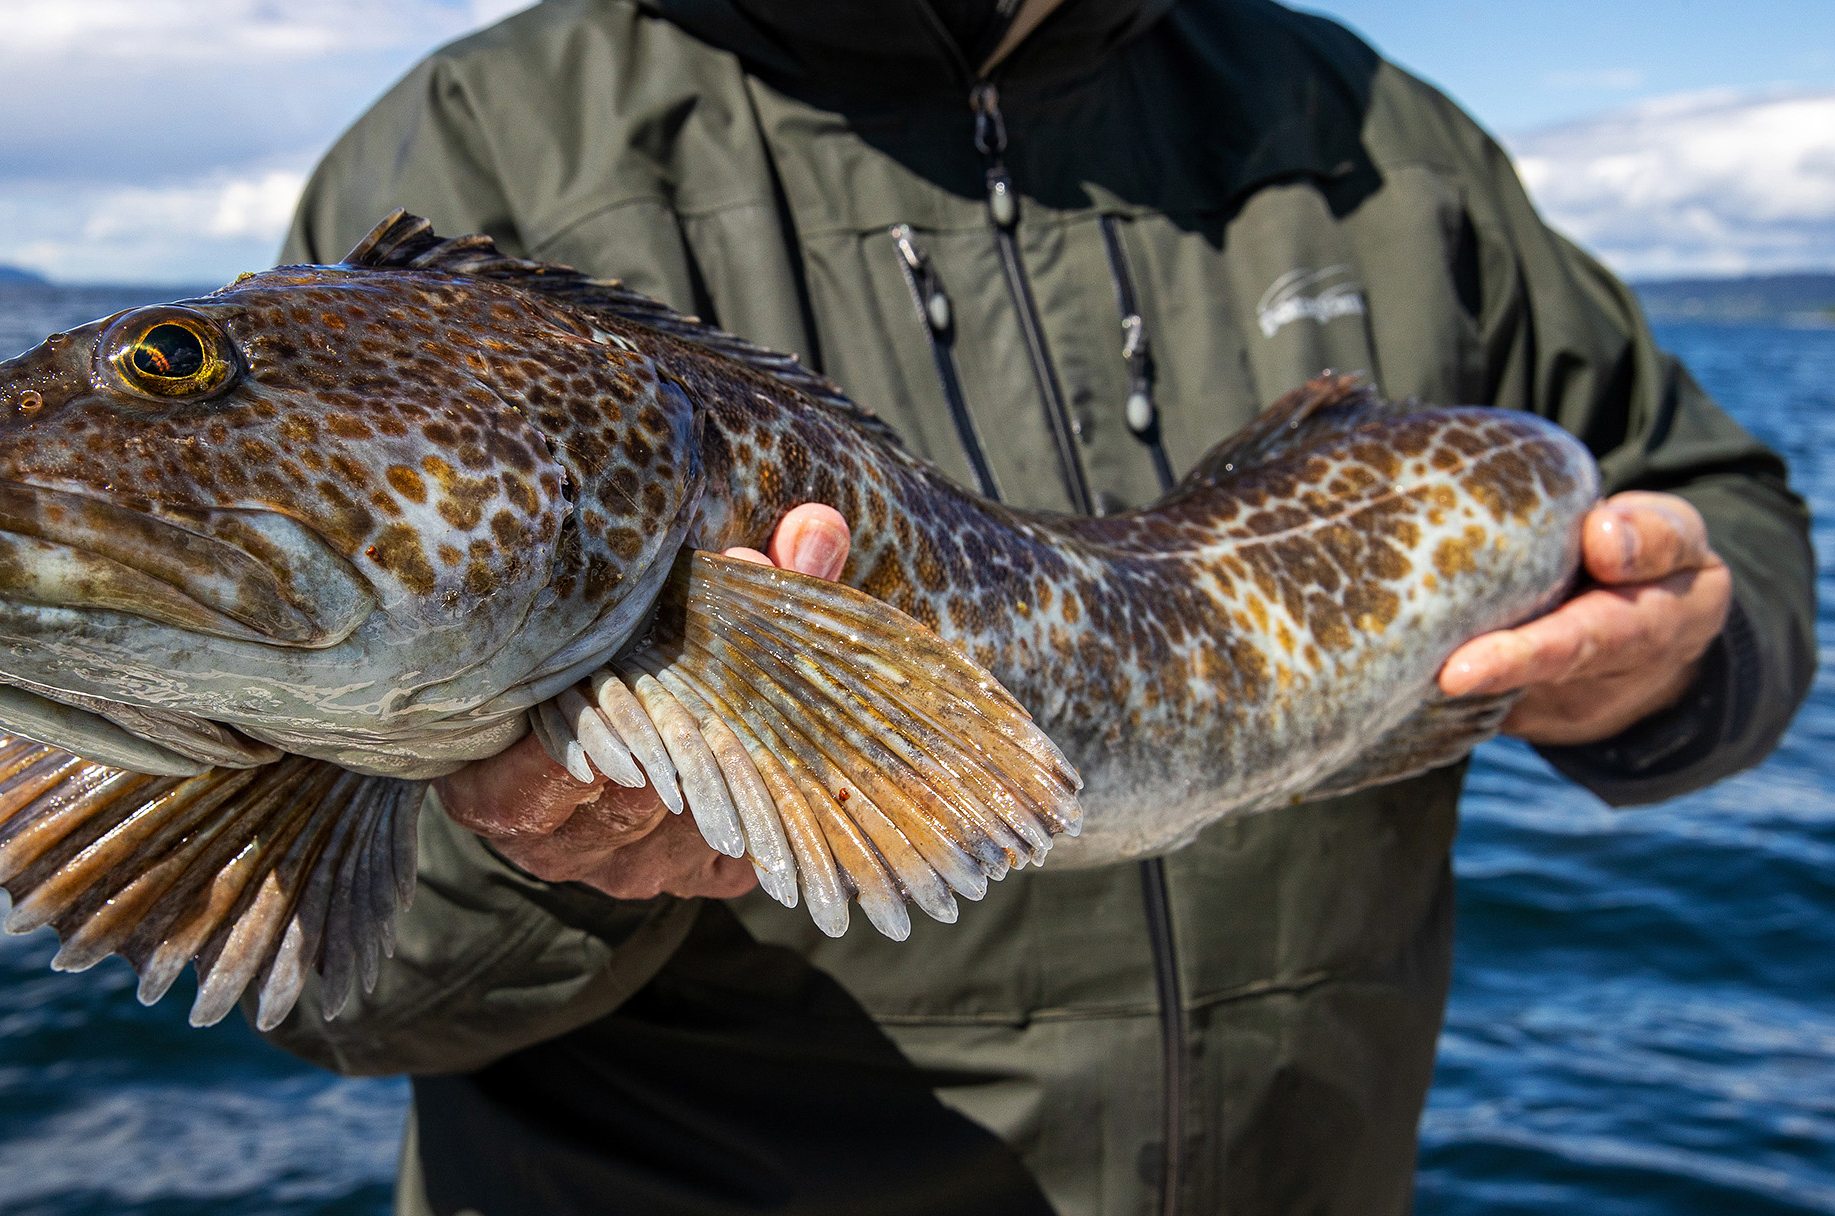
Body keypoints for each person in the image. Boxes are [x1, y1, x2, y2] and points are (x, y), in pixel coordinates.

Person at [264, 1, 1817, 1212]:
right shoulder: (483, 149)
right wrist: (547, 857)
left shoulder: (1373, 128)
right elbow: (329, 979)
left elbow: (1714, 506)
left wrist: (1675, 665)